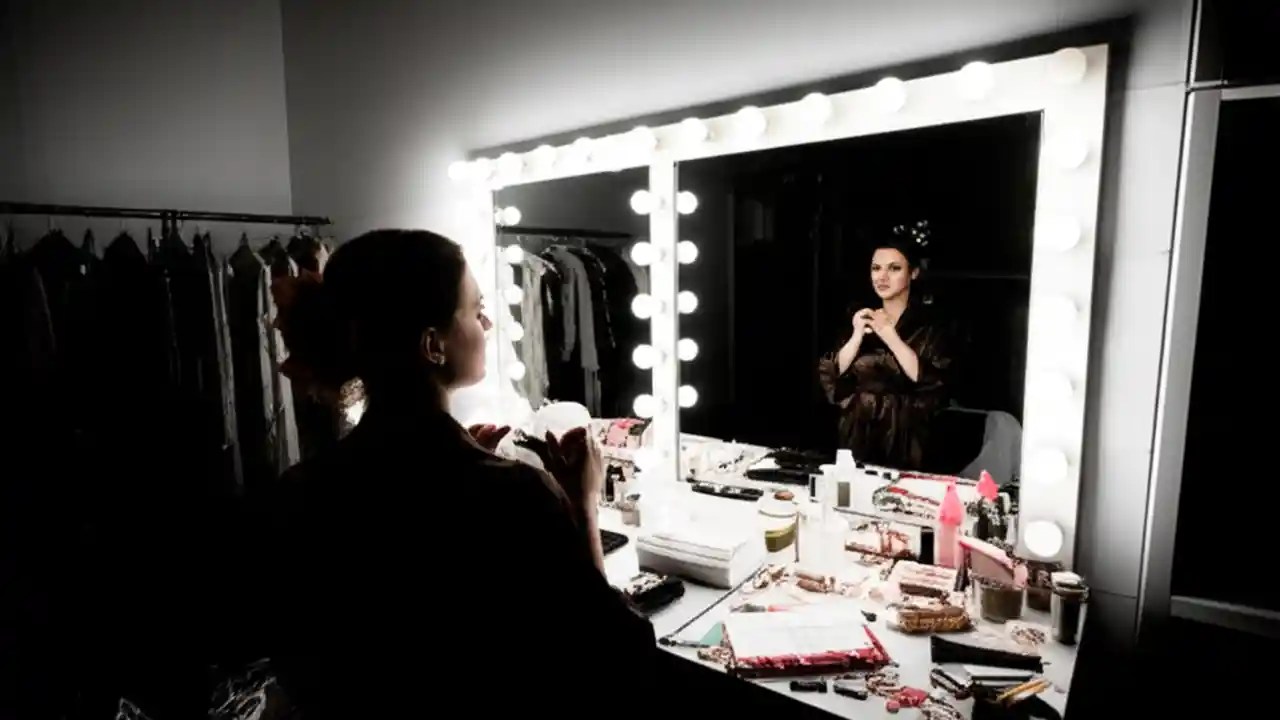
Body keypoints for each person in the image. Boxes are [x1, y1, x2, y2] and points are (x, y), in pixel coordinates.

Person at [234, 229, 661, 717]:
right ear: (433, 344)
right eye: (475, 308)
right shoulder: (511, 496)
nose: (488, 322)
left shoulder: (302, 487)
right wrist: (580, 505)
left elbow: (304, 659)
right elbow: (616, 657)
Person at [817, 238, 951, 470]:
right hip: (858, 430)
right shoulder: (858, 317)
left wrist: (890, 336)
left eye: (894, 268)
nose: (882, 277)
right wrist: (857, 335)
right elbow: (833, 374)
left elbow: (933, 380)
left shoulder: (932, 326)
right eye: (876, 268)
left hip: (908, 435)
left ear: (914, 273)